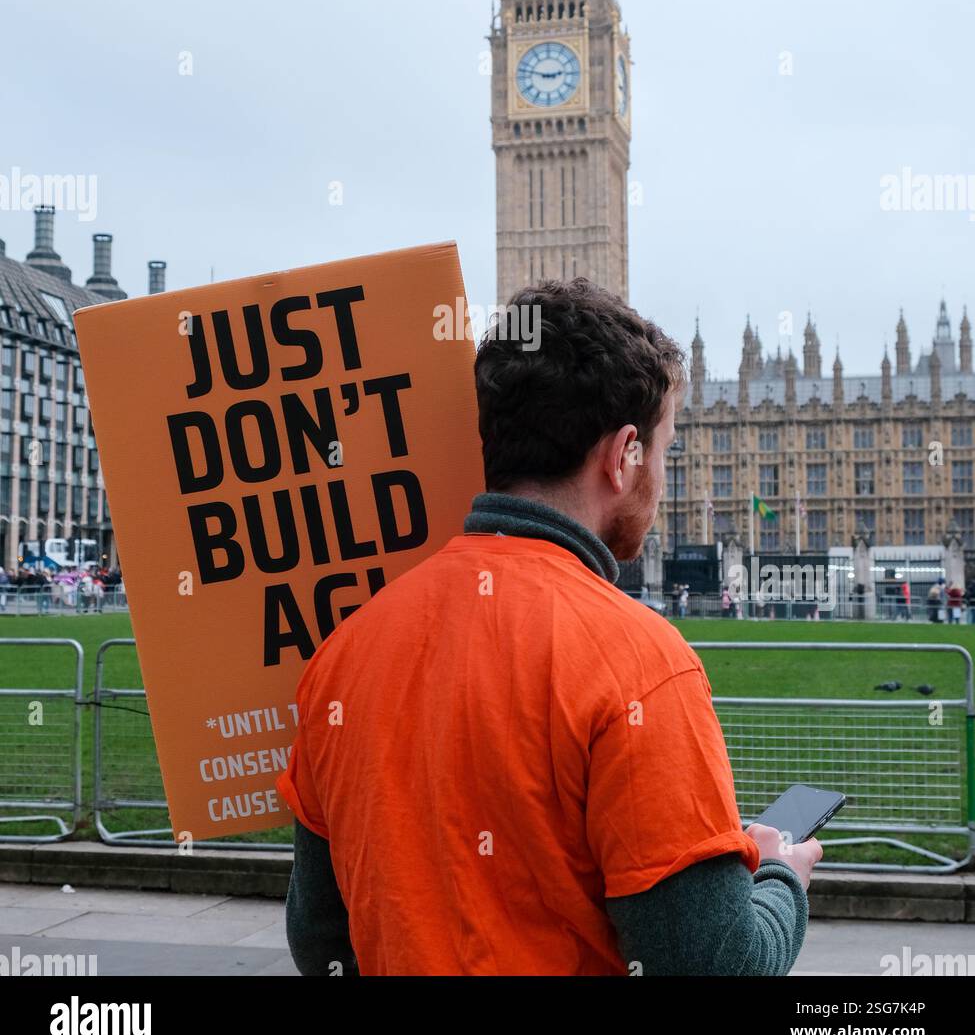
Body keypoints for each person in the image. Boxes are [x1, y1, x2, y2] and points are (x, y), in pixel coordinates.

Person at [277, 279, 819, 976]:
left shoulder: (342, 653)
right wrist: (779, 880)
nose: (661, 473)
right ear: (621, 455)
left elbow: (320, 941)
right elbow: (709, 966)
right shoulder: (640, 663)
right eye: (663, 451)